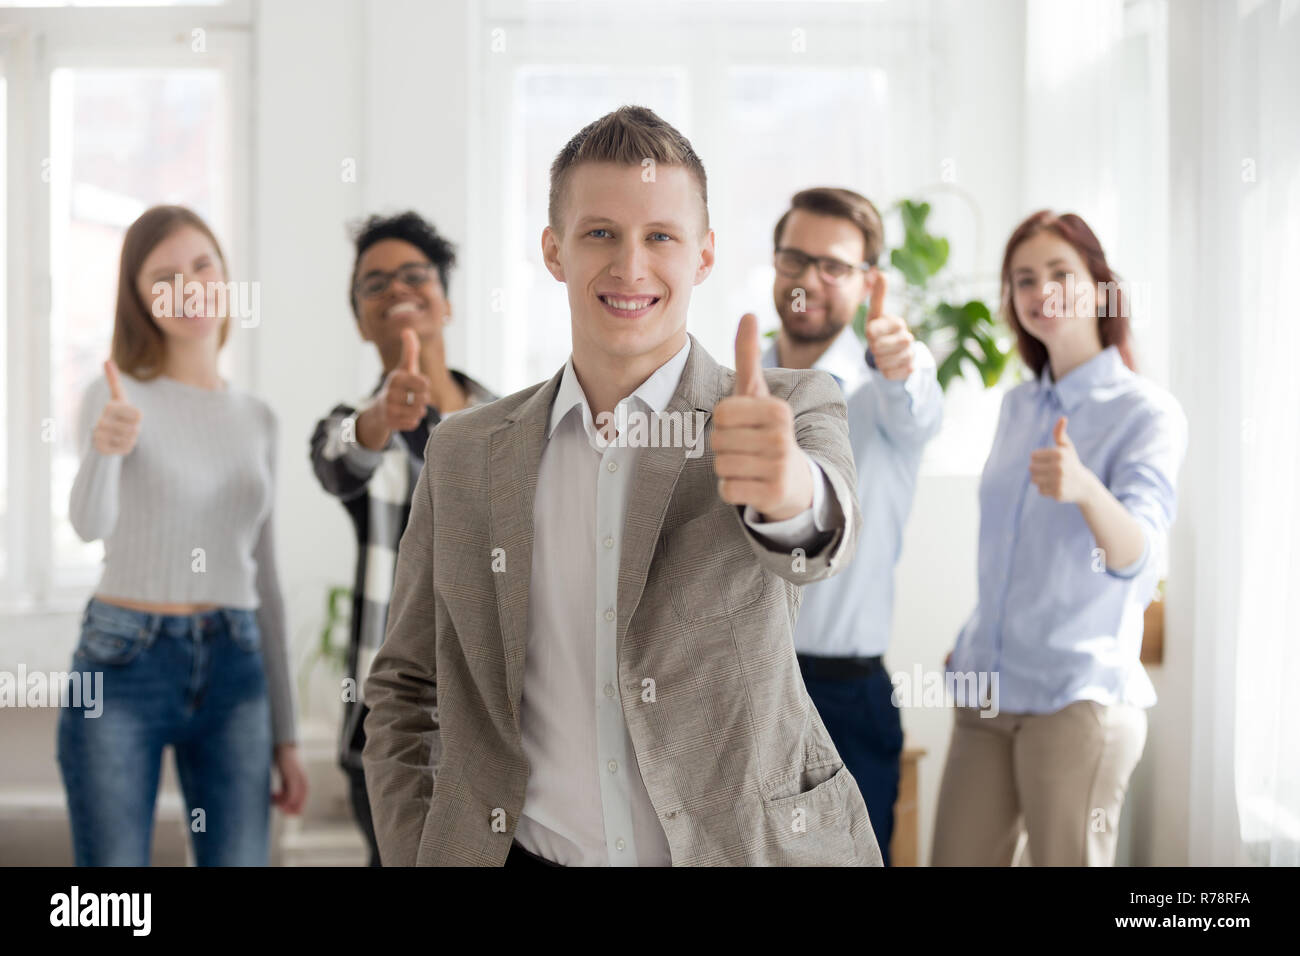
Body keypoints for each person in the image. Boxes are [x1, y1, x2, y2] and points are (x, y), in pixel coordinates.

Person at [362, 105, 880, 866]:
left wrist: (786, 490)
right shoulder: (465, 452)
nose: (631, 267)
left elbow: (819, 541)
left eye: (660, 237)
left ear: (703, 255)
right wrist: (423, 850)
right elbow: (406, 687)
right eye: (600, 232)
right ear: (554, 250)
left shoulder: (785, 407)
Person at [932, 210, 1188, 866]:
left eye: (1059, 272)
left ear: (1100, 287)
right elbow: (1011, 550)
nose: (1040, 289)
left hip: (1077, 700)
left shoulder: (1145, 413)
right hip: (987, 693)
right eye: (1023, 279)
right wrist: (974, 639)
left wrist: (1085, 489)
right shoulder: (1018, 407)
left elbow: (1141, 558)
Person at [60, 204, 307, 866]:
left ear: (225, 276)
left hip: (236, 666)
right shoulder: (114, 394)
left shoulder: (258, 419)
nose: (190, 286)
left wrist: (286, 736)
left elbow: (267, 578)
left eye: (202, 265)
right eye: (163, 276)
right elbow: (89, 526)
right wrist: (105, 449)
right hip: (124, 661)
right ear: (140, 300)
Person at [309, 211, 495, 866]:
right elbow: (337, 460)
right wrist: (382, 417)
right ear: (361, 320)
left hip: (498, 718)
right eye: (374, 283)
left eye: (414, 275)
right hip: (389, 728)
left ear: (444, 300)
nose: (396, 290)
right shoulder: (353, 427)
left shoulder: (514, 422)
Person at [763, 187, 943, 864]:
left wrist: (905, 360)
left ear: (870, 282)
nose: (809, 279)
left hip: (843, 697)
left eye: (833, 266)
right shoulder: (734, 383)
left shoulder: (883, 395)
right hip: (738, 683)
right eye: (795, 258)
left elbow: (918, 403)